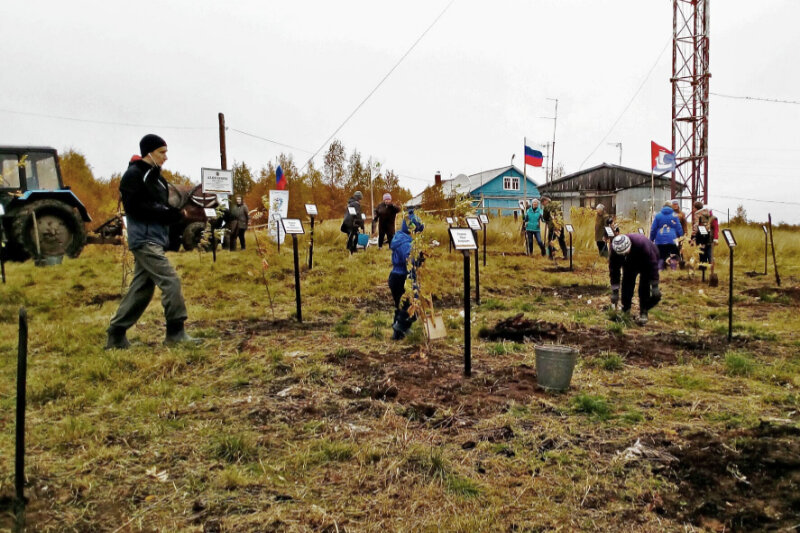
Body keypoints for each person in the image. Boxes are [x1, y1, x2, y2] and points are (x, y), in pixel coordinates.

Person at [105, 134, 200, 348]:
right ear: (149, 152)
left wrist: (173, 214)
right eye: (162, 152)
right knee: (171, 281)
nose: (166, 157)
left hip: (155, 238)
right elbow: (136, 207)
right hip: (144, 239)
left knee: (142, 288)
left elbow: (159, 206)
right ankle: (176, 332)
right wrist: (169, 214)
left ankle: (116, 334)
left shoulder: (156, 177)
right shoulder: (134, 175)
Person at [609, 234, 661, 325]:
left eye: (625, 252)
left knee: (644, 286)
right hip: (629, 263)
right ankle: (625, 310)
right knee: (627, 283)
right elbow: (614, 270)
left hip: (646, 260)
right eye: (622, 254)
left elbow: (653, 265)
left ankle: (643, 312)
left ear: (629, 246)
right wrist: (615, 290)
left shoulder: (642, 245)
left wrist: (655, 285)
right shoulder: (614, 251)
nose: (624, 254)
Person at [388, 211, 424, 340]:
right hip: (403, 277)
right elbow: (409, 259)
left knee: (400, 306)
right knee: (412, 306)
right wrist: (419, 258)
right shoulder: (405, 243)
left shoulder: (400, 237)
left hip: (395, 276)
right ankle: (401, 326)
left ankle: (397, 335)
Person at [650, 201, 684, 270]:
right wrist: (681, 237)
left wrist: (651, 239)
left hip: (660, 240)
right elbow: (679, 228)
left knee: (660, 255)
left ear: (663, 207)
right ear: (671, 207)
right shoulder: (674, 215)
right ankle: (673, 269)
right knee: (673, 255)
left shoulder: (658, 215)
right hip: (672, 239)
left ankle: (660, 270)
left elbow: (653, 229)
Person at [692, 201, 719, 271]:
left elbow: (696, 227)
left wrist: (693, 237)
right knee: (705, 253)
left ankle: (706, 268)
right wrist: (716, 238)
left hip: (703, 238)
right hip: (707, 238)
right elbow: (716, 228)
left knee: (705, 253)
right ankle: (706, 268)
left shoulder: (702, 217)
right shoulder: (712, 218)